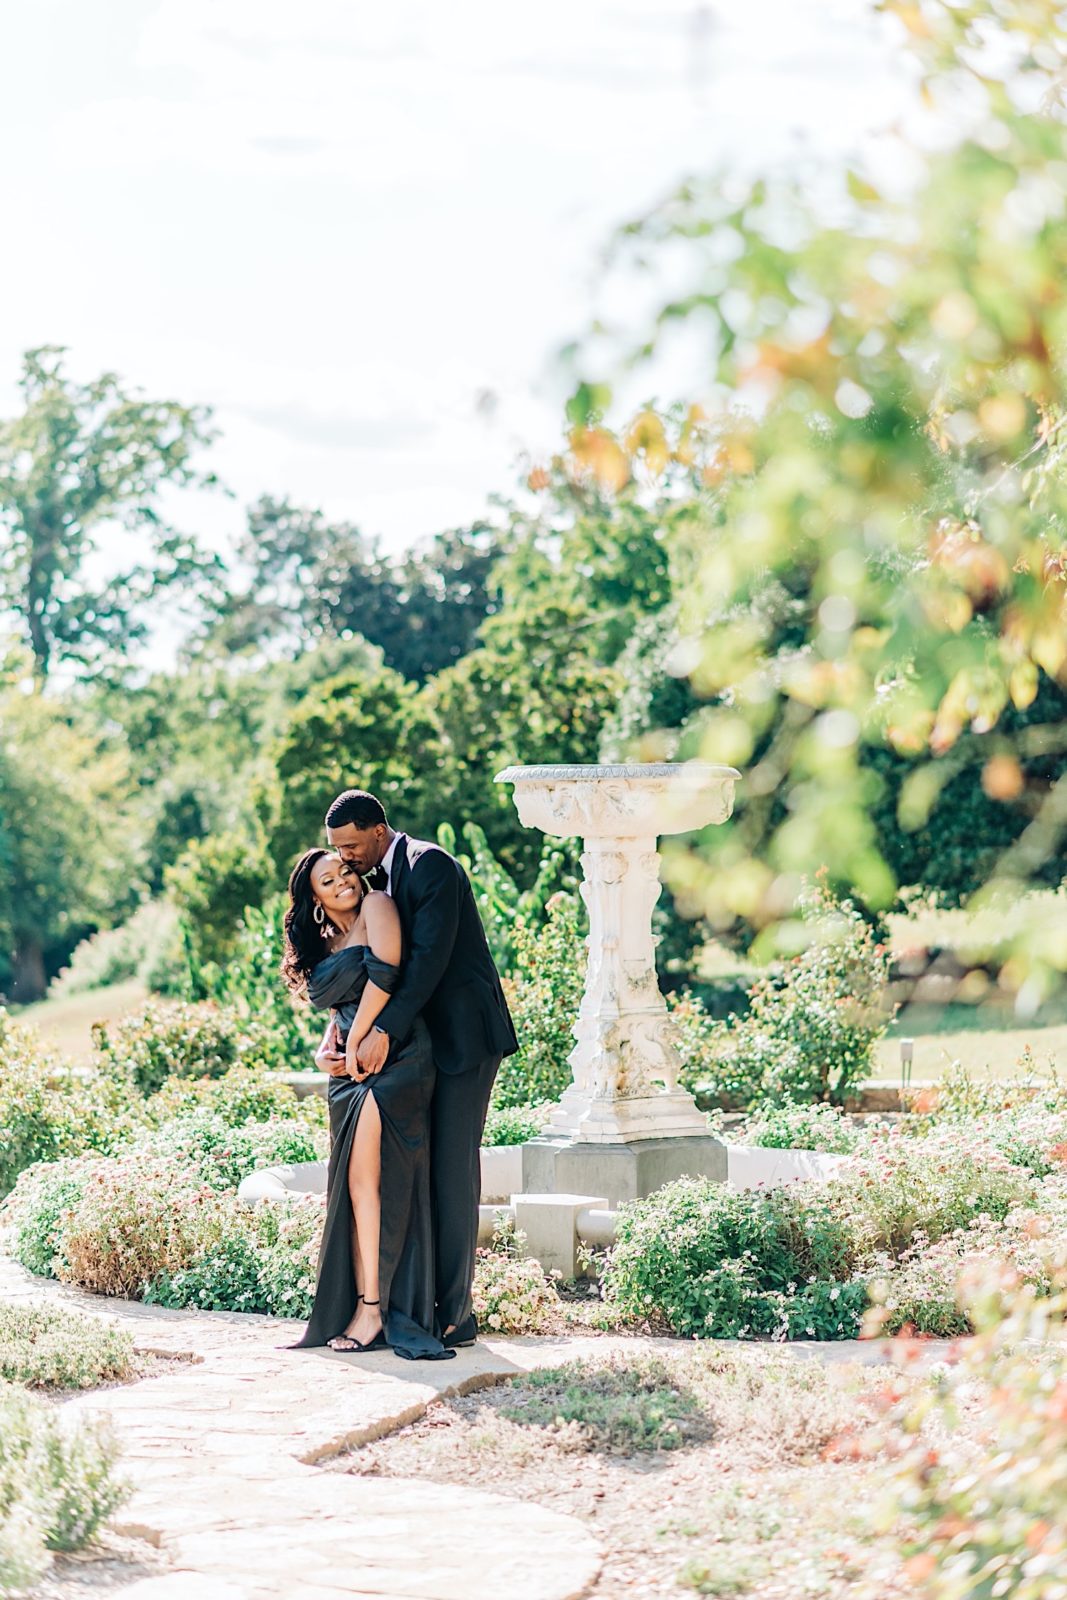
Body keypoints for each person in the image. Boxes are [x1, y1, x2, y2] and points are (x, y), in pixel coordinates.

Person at [316, 789, 518, 1348]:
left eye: (352, 845)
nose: (345, 857)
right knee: (417, 1174)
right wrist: (337, 1035)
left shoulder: (430, 865)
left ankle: (455, 1313)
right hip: (412, 1049)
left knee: (452, 1171)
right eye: (337, 849)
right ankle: (413, 1304)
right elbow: (365, 971)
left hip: (462, 1042)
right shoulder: (368, 886)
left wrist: (382, 1033)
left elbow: (425, 964)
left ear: (378, 831)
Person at [282, 848, 452, 1361]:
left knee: (367, 1182)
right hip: (353, 1062)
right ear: (313, 898)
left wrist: (354, 1041)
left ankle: (375, 1308)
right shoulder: (322, 939)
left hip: (395, 1054)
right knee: (354, 1188)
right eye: (327, 881)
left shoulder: (378, 905)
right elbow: (338, 1004)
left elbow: (386, 975)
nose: (341, 883)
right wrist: (329, 1044)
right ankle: (363, 1298)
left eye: (344, 872)